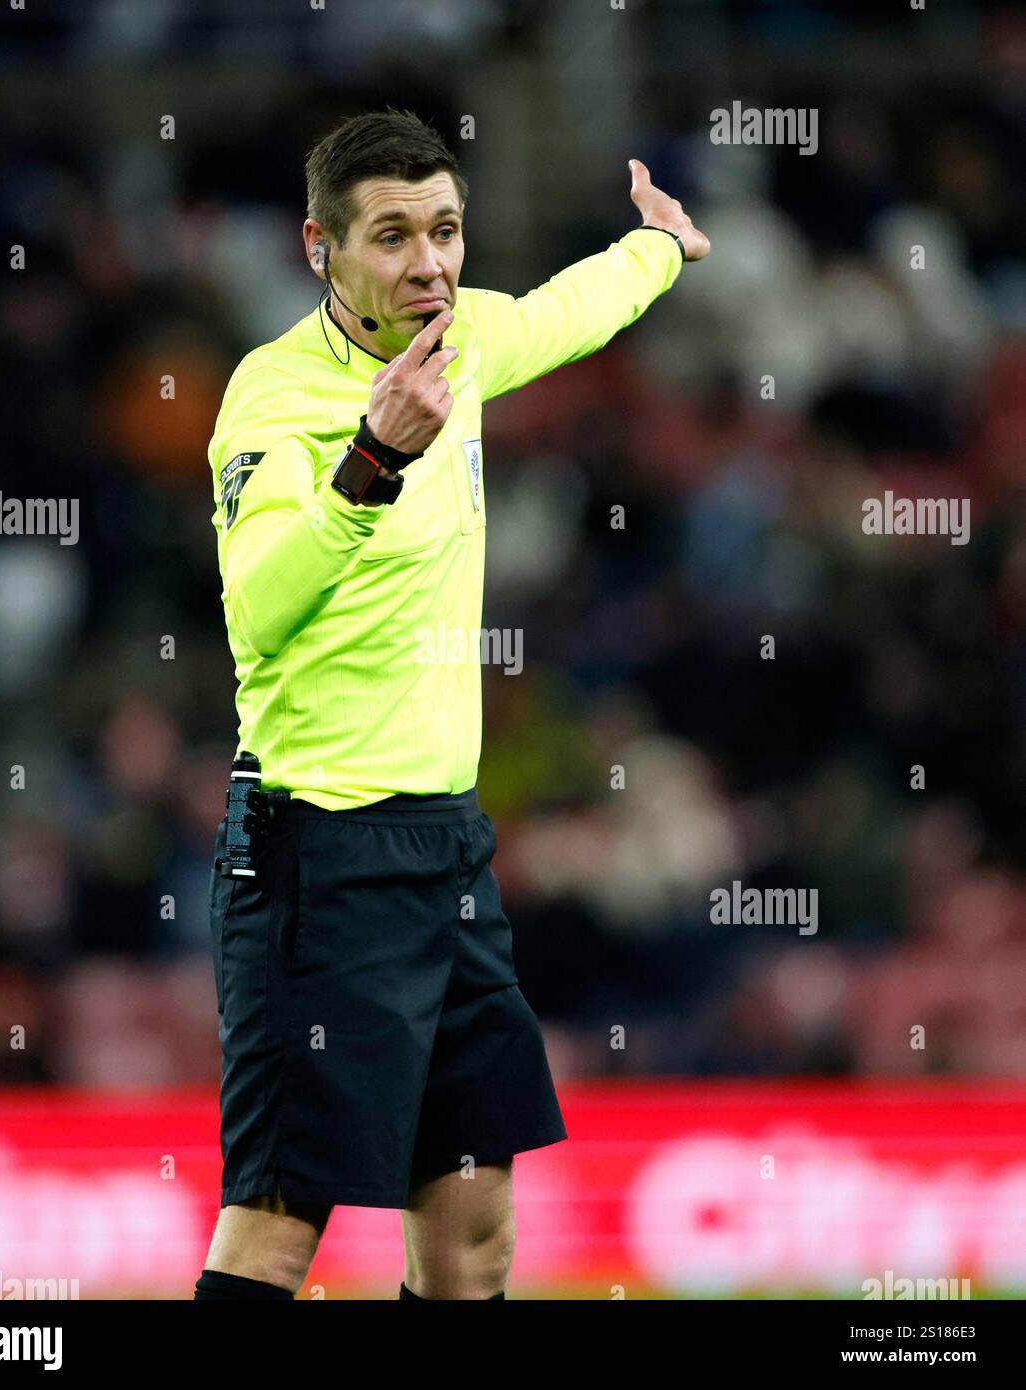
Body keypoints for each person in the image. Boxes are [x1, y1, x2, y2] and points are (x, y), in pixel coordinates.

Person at [195, 107, 709, 1302]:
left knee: (474, 1223)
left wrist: (657, 249)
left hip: (446, 847)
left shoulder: (460, 337)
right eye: (392, 237)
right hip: (315, 850)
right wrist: (367, 463)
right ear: (319, 247)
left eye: (446, 230)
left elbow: (560, 312)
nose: (429, 263)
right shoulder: (272, 399)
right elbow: (257, 609)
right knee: (277, 1225)